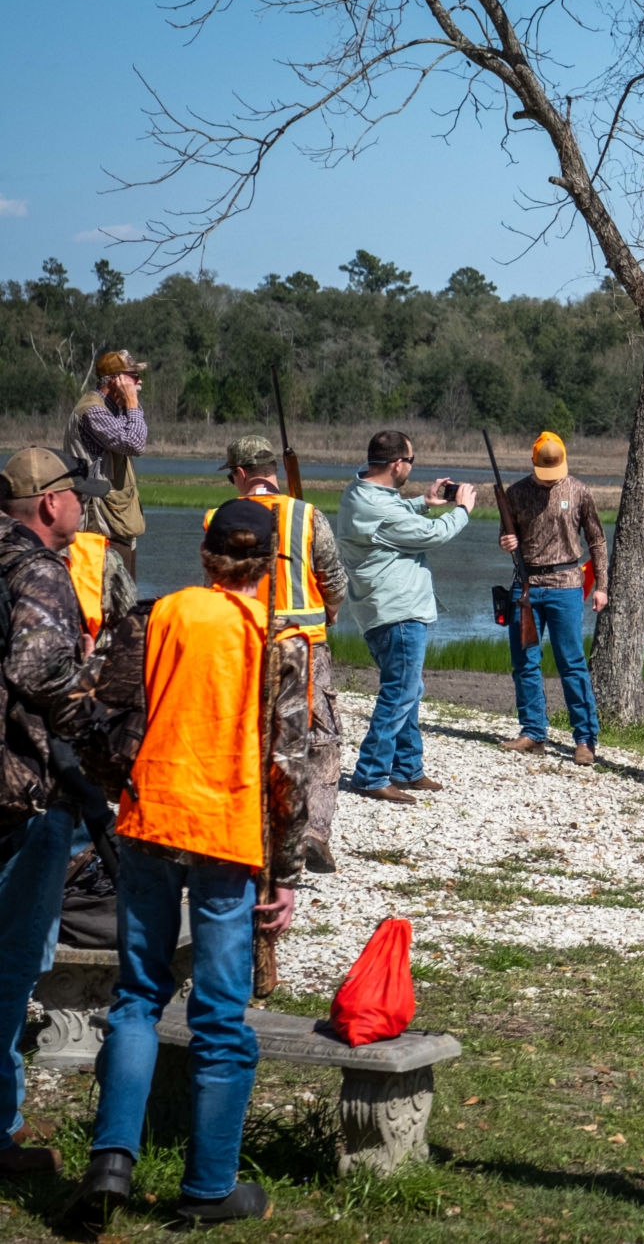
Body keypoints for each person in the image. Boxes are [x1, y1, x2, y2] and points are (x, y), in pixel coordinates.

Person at [69, 500, 304, 1230]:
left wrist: (118, 793)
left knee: (139, 994)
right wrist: (288, 870)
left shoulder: (154, 614)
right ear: (268, 568)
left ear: (205, 556)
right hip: (227, 837)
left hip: (149, 820)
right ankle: (208, 1186)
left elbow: (102, 713)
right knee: (221, 1014)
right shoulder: (281, 639)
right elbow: (287, 767)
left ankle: (112, 1157)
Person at [0, 449, 115, 1178]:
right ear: (47, 504)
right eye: (77, 494)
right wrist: (95, 724)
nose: (84, 505)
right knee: (16, 964)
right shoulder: (38, 568)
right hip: (19, 792)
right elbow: (36, 666)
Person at [217, 434, 350, 873]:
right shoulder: (307, 515)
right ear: (273, 471)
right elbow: (334, 579)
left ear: (239, 475)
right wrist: (329, 613)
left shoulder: (219, 517)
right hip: (308, 648)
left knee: (253, 736)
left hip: (245, 645)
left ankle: (254, 830)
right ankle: (314, 833)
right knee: (321, 739)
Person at [336, 430, 476, 804]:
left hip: (386, 609)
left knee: (409, 690)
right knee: (399, 692)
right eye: (411, 461)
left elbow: (394, 516)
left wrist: (424, 501)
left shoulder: (360, 491)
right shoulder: (378, 508)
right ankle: (370, 774)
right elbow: (430, 535)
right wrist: (461, 510)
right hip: (396, 612)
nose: (412, 468)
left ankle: (407, 769)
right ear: (398, 463)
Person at [495, 432, 609, 766]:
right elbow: (505, 534)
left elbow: (598, 541)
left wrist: (601, 585)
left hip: (567, 585)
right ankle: (533, 731)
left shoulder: (578, 491)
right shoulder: (515, 493)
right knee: (525, 661)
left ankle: (585, 739)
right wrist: (506, 543)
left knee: (571, 663)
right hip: (526, 586)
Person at [63, 350, 150, 578]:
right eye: (133, 375)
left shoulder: (114, 409)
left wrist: (130, 404)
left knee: (127, 602)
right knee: (109, 605)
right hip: (101, 526)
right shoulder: (93, 410)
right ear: (115, 380)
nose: (139, 381)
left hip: (117, 522)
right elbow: (135, 444)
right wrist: (132, 402)